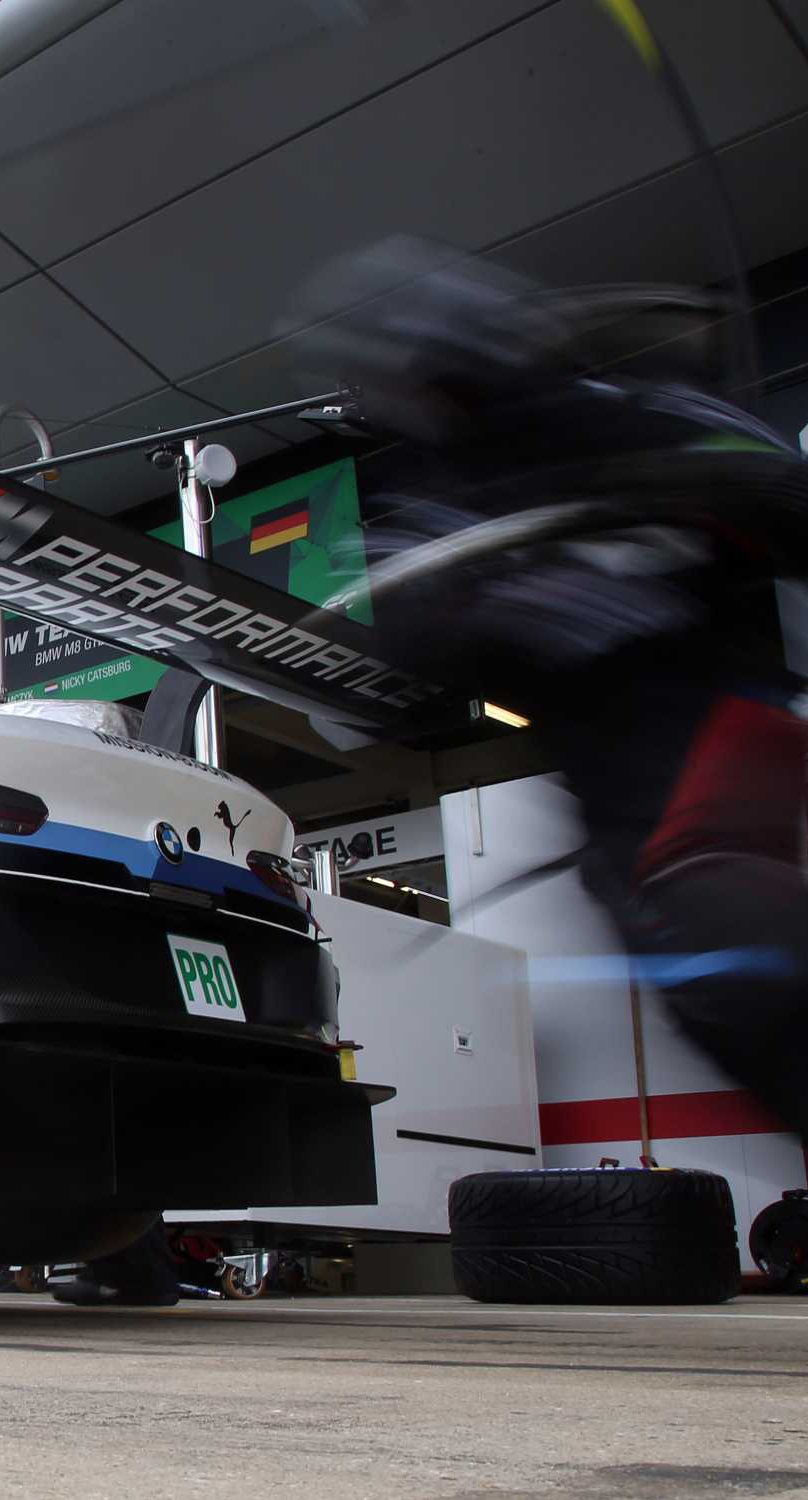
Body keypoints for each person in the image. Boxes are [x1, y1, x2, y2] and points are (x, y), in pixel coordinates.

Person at [306, 243, 808, 1140]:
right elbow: (403, 655)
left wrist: (699, 487)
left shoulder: (639, 412)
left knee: (733, 944)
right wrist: (479, 596)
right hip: (614, 805)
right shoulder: (431, 499)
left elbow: (785, 492)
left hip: (725, 738)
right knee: (710, 996)